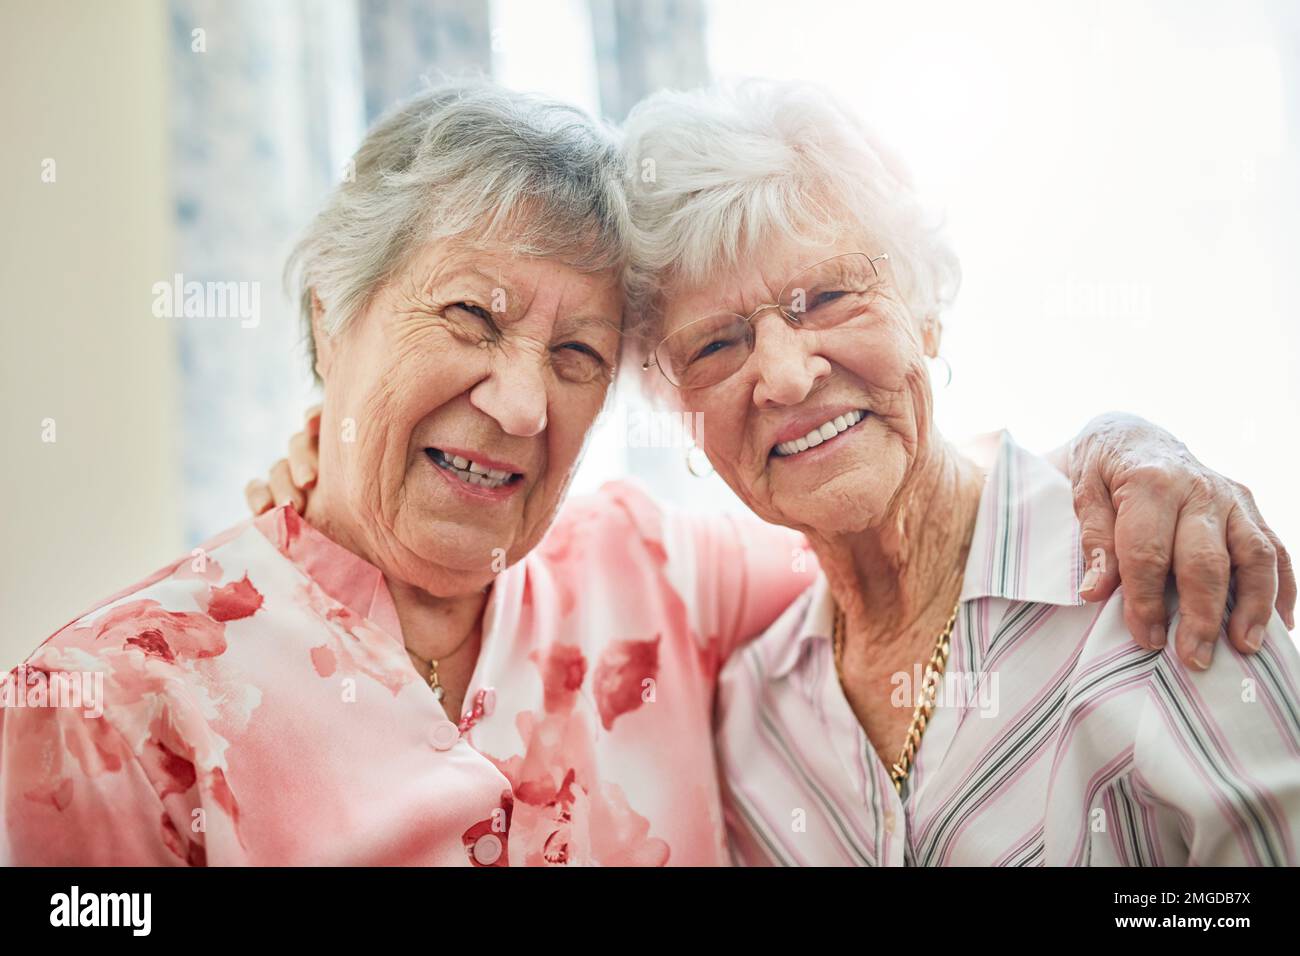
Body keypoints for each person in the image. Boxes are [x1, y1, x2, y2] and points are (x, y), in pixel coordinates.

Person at [4, 80, 1288, 868]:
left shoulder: (651, 573)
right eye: (467, 316)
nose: (517, 399)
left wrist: (1131, 445)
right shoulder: (105, 708)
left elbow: (899, 526)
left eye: (575, 352)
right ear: (330, 316)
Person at [617, 79, 1300, 864]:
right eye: (714, 346)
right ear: (681, 416)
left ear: (926, 315)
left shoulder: (1149, 571)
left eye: (830, 296)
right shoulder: (748, 728)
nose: (785, 374)